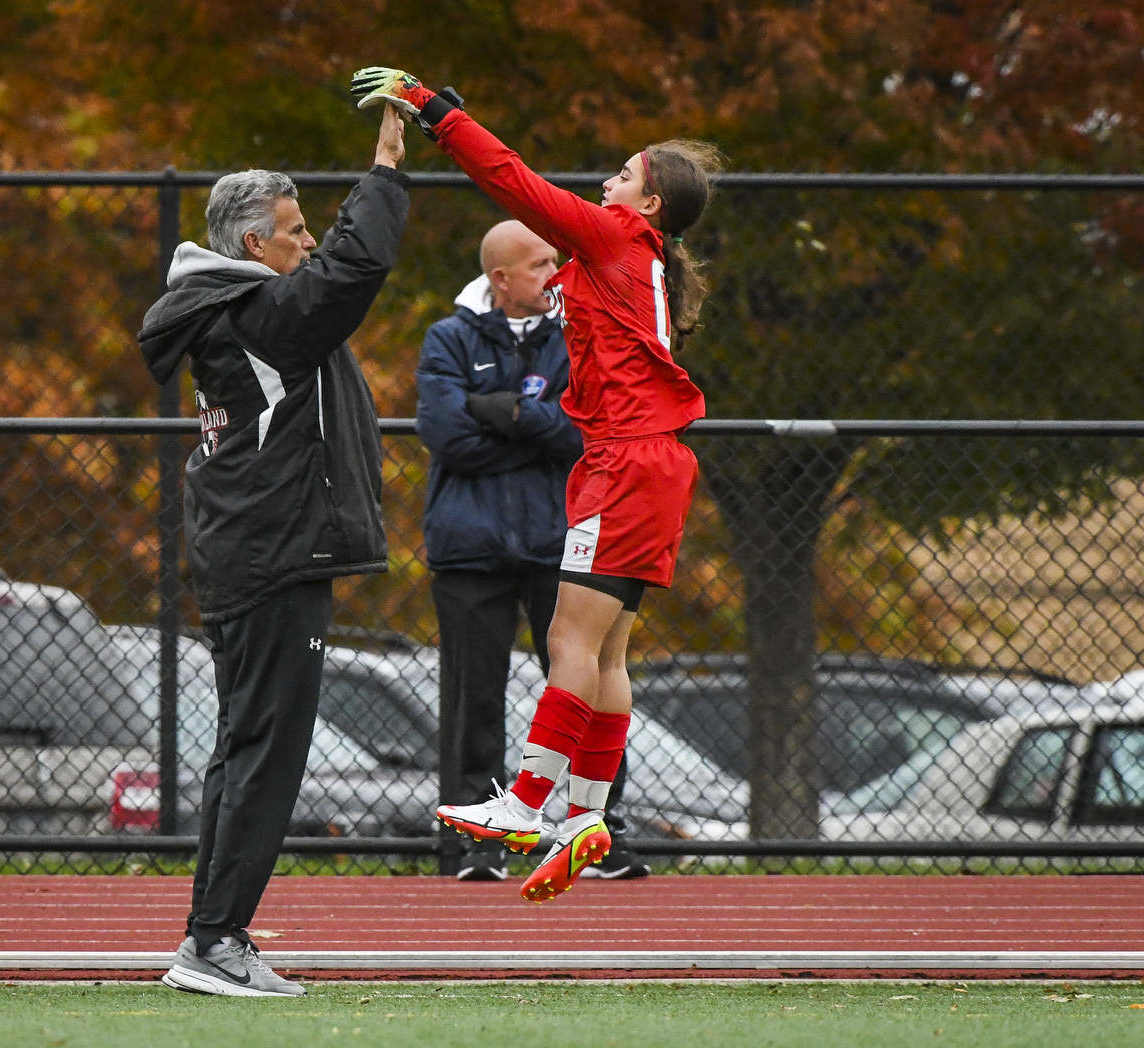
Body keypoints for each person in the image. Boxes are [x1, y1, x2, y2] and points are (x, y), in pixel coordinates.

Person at [353, 67, 719, 902]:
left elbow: (508, 177)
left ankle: (525, 803)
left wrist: (432, 105)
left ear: (649, 204)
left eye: (623, 175)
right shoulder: (642, 258)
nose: (606, 182)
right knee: (610, 649)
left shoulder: (617, 238)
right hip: (650, 458)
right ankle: (587, 813)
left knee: (569, 642)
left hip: (625, 460)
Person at [136, 105, 410, 994]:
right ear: (254, 244)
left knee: (247, 744)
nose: (306, 245)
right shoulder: (253, 313)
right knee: (266, 749)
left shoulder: (238, 307)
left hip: (259, 551)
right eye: (294, 233)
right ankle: (214, 943)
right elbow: (351, 271)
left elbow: (327, 286)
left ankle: (212, 936)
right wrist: (385, 170)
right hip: (269, 553)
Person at [417, 219, 649, 882]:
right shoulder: (450, 338)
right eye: (543, 263)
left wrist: (507, 413)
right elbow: (445, 433)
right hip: (471, 547)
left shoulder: (579, 333)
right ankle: (476, 839)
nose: (557, 273)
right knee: (474, 696)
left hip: (561, 542)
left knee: (588, 681)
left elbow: (587, 432)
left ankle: (596, 827)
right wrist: (537, 432)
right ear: (501, 278)